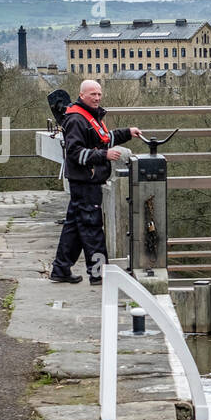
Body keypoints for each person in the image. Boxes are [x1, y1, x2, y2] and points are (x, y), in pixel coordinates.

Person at [49, 80, 142, 284]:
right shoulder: (76, 119)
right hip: (85, 181)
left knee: (74, 227)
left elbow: (102, 138)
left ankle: (61, 268)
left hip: (84, 181)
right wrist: (103, 156)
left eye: (99, 94)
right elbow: (75, 153)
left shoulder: (89, 116)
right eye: (93, 94)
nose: (97, 98)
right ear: (82, 95)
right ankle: (99, 274)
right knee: (92, 228)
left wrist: (127, 133)